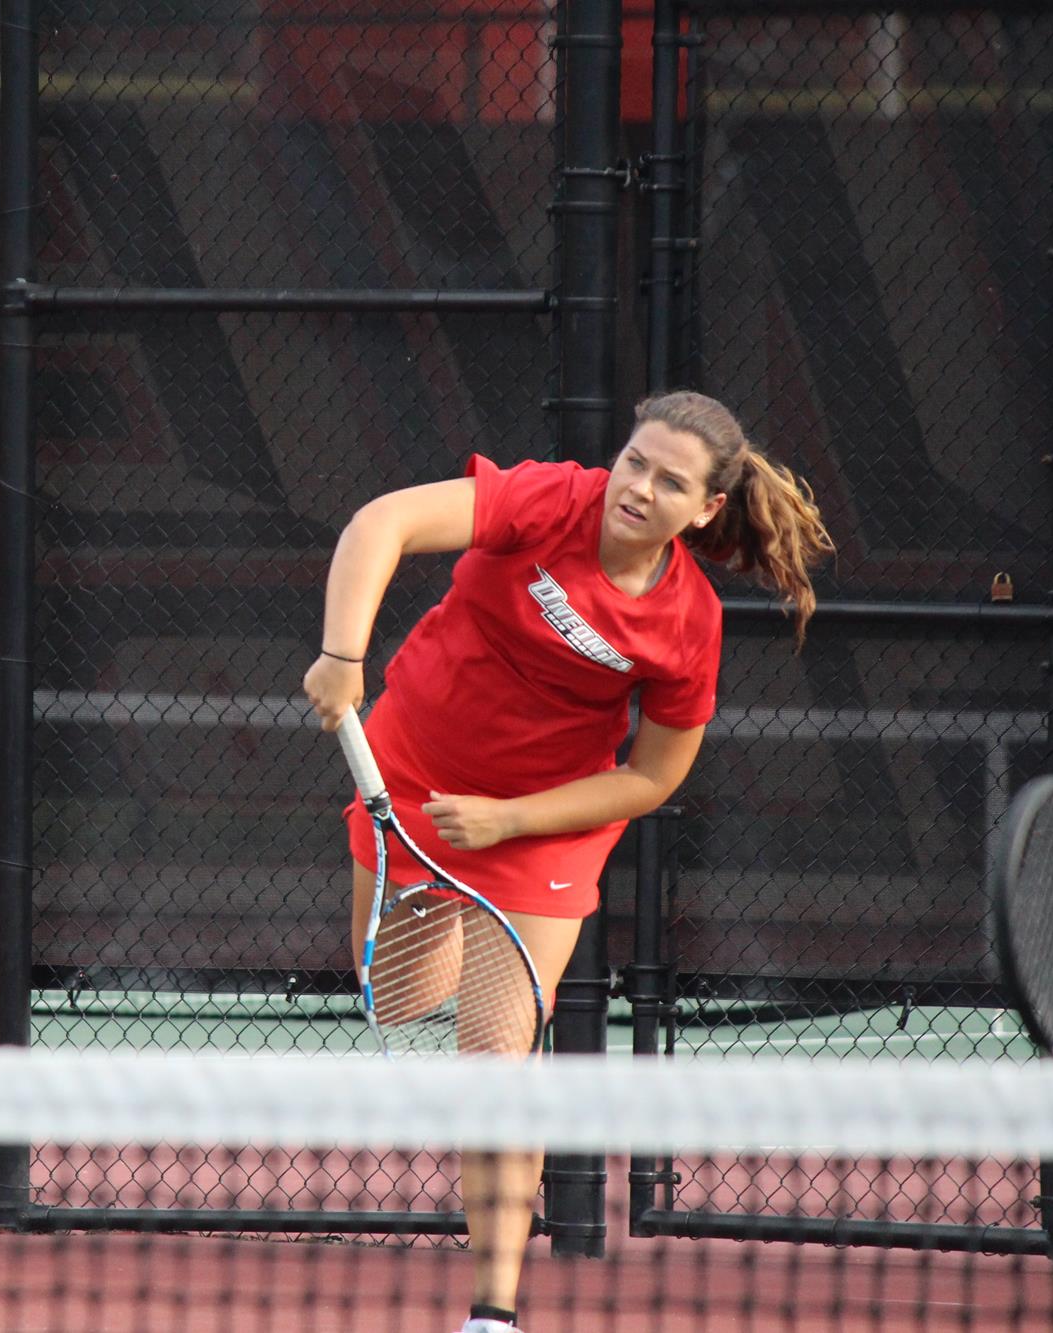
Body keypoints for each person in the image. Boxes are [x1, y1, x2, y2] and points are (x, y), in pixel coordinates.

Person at [302, 391, 833, 1333]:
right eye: (635, 461)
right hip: (412, 773)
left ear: (707, 509)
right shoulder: (551, 501)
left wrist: (509, 822)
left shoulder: (687, 622)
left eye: (671, 481)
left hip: (539, 823)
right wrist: (343, 654)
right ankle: (444, 930)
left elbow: (650, 778)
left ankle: (492, 1314)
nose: (639, 486)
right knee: (402, 998)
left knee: (496, 1062)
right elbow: (380, 521)